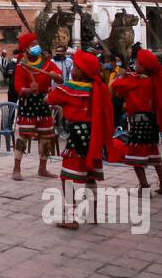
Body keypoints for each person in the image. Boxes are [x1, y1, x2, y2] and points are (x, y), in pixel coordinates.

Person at [46, 50, 114, 230]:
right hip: (94, 137)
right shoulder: (98, 88)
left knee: (69, 177)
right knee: (89, 176)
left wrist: (54, 87)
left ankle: (71, 217)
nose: (73, 69)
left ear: (82, 72)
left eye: (75, 66)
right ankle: (91, 214)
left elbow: (49, 99)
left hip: (77, 137)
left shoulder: (69, 88)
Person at [113, 49, 162, 196]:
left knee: (136, 156)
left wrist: (120, 75)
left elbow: (115, 85)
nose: (135, 65)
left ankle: (144, 187)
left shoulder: (135, 81)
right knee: (153, 153)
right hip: (151, 122)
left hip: (138, 122)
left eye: (137, 63)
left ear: (143, 67)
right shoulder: (152, 80)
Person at [10, 32, 62, 181]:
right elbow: (18, 88)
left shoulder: (47, 62)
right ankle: (16, 168)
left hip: (44, 102)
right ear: (25, 48)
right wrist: (29, 90)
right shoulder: (21, 66)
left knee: (46, 135)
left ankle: (42, 168)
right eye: (32, 45)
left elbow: (60, 79)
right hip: (28, 103)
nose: (36, 47)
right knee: (23, 136)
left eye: (36, 44)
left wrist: (55, 76)